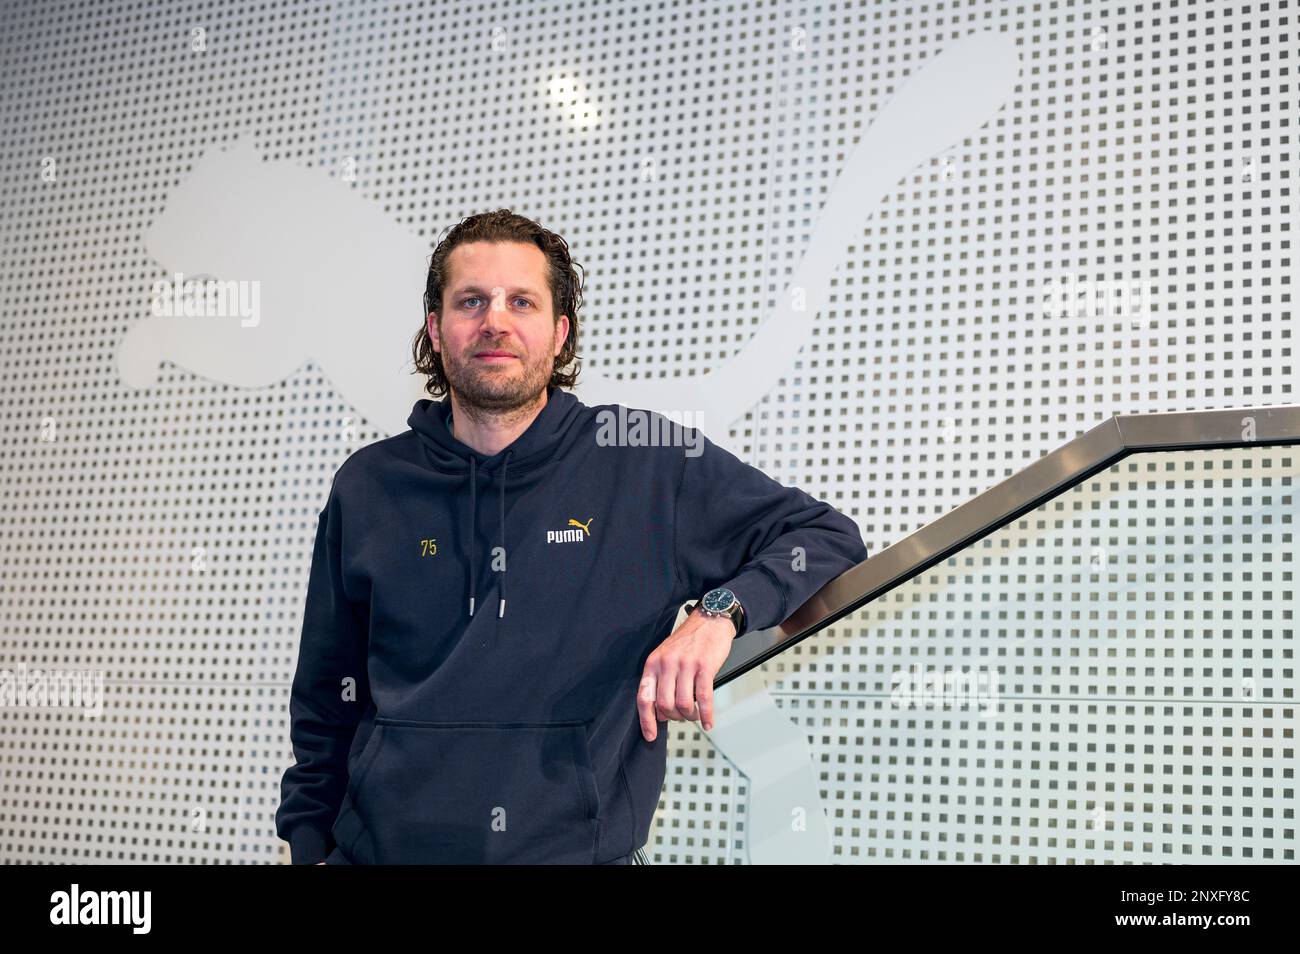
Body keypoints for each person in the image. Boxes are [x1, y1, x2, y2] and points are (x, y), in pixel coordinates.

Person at [275, 209, 869, 864]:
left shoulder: (644, 464)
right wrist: (308, 850)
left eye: (521, 302)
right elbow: (325, 698)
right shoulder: (368, 486)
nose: (494, 321)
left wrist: (719, 614)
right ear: (436, 331)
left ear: (559, 333)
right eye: (470, 301)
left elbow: (824, 535)